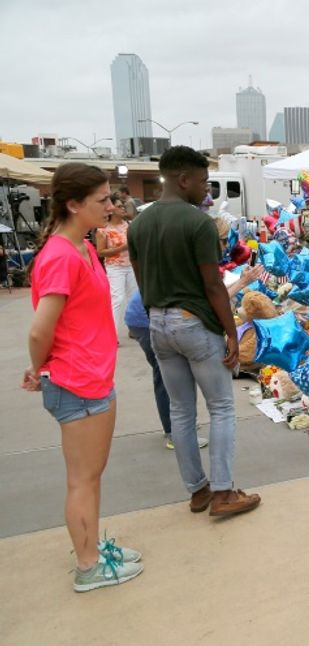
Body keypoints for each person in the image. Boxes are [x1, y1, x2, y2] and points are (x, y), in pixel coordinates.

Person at [24, 163, 144, 592]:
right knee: (82, 478)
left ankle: (93, 546)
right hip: (75, 381)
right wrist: (39, 367)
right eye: (102, 200)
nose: (111, 206)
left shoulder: (85, 248)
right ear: (73, 205)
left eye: (111, 197)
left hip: (93, 376)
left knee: (92, 475)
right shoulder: (58, 256)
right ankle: (88, 565)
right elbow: (41, 328)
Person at [127, 146, 260, 518]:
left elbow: (142, 281)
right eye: (203, 181)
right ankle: (223, 493)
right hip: (194, 323)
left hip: (157, 323)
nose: (206, 190)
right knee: (220, 407)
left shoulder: (138, 225)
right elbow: (213, 286)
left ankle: (197, 491)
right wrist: (231, 333)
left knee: (181, 411)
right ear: (183, 179)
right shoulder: (198, 223)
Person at [126, 263, 263, 450]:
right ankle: (175, 432)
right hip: (149, 320)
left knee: (172, 379)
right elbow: (211, 302)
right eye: (221, 241)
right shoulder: (194, 261)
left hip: (150, 317)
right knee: (166, 379)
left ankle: (179, 429)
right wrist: (242, 282)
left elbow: (213, 296)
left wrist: (241, 282)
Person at [96, 193, 138, 339]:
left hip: (131, 266)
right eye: (119, 206)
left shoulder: (129, 226)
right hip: (115, 268)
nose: (123, 209)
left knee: (133, 298)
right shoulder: (103, 230)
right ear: (111, 209)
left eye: (123, 206)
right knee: (117, 299)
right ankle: (112, 333)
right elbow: (100, 252)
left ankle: (134, 328)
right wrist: (121, 248)